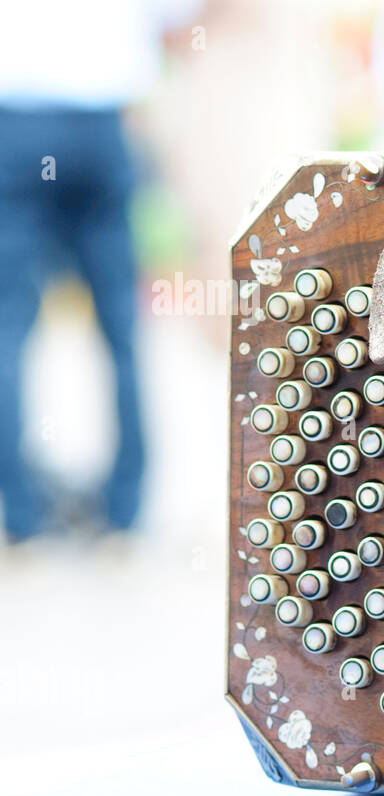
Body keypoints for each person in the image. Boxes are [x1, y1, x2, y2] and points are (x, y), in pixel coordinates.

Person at [0, 1, 193, 542]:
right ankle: (124, 508)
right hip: (100, 126)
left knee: (9, 327)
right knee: (120, 327)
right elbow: (176, 24)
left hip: (14, 124)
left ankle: (21, 514)